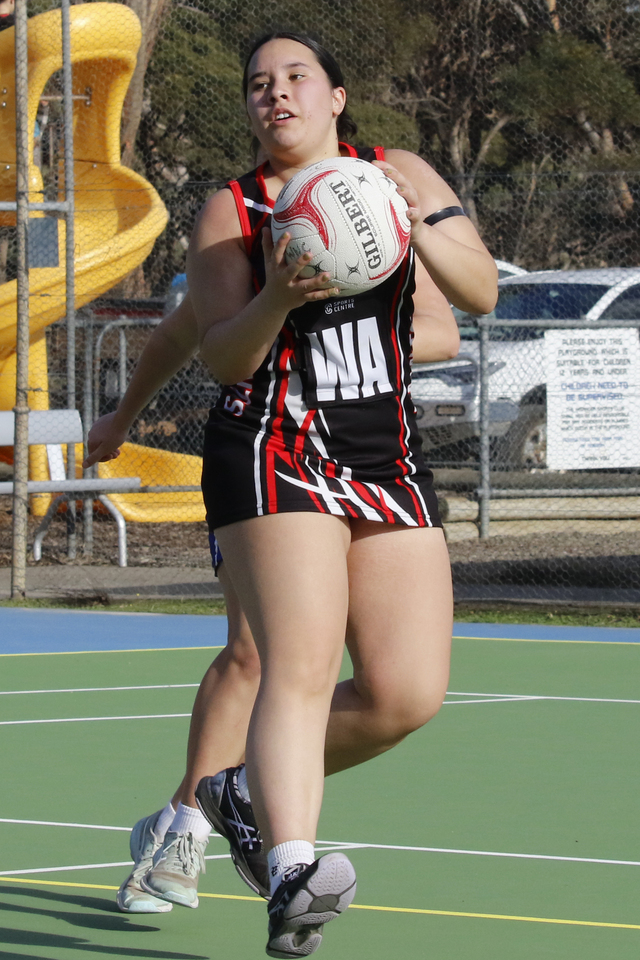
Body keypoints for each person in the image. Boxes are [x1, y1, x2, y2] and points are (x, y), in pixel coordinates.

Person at [87, 29, 496, 954]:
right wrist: (278, 293)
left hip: (381, 448)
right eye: (259, 85)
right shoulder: (232, 209)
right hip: (270, 443)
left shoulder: (396, 175)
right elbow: (219, 350)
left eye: (297, 78)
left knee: (404, 694)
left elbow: (477, 300)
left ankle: (226, 795)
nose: (277, 95)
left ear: (337, 96)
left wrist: (412, 223)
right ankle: (292, 874)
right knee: (285, 662)